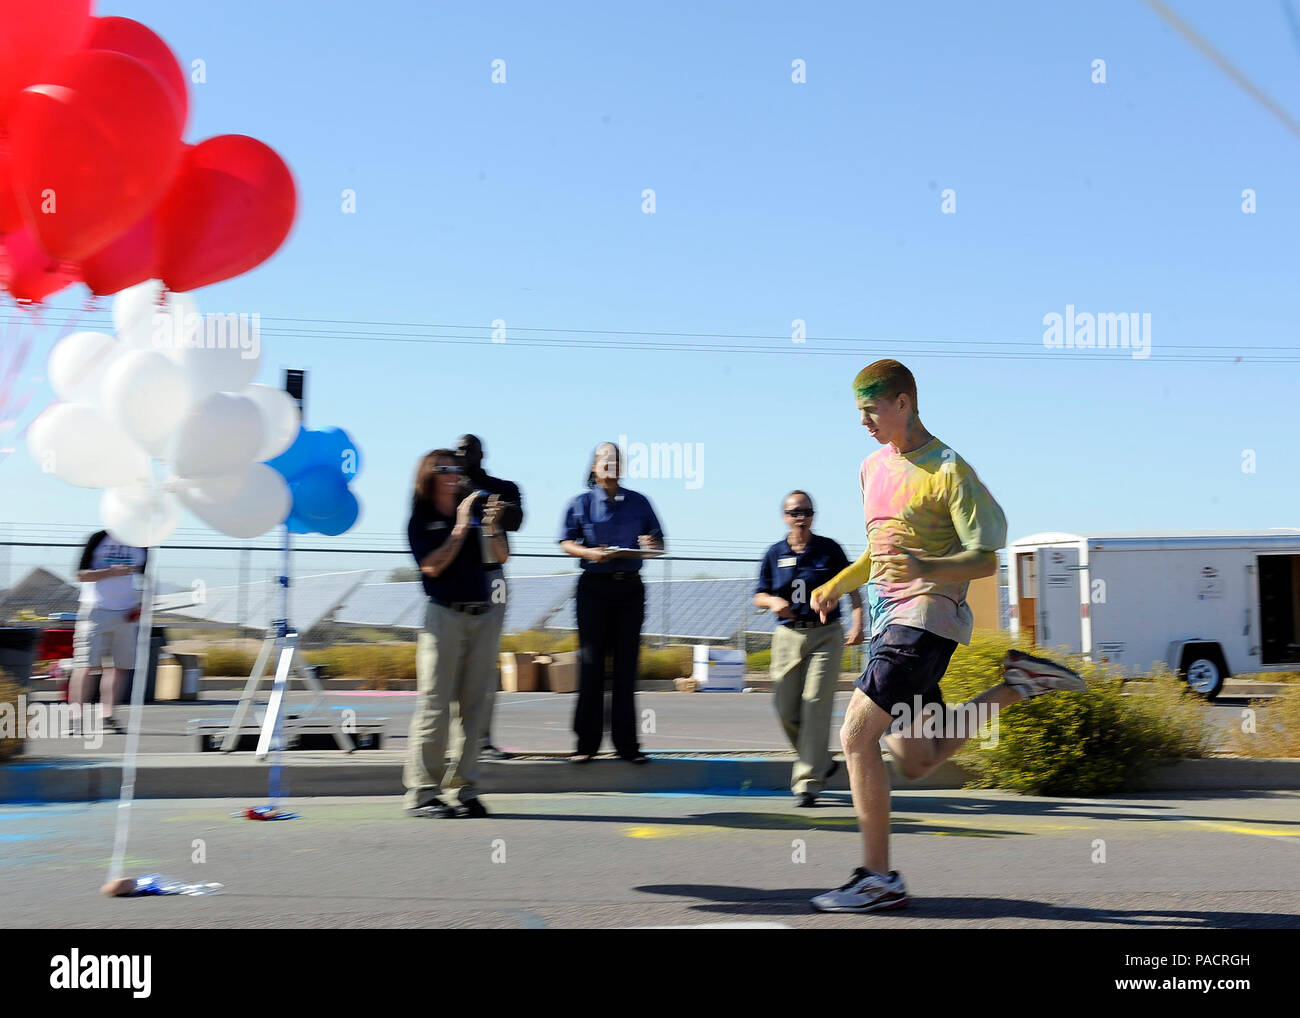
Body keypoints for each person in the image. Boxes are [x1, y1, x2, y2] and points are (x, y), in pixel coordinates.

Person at [807, 360, 1085, 913]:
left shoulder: (947, 470)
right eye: (858, 411)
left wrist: (927, 571)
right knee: (917, 758)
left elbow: (985, 558)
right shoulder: (870, 468)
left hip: (925, 621)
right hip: (891, 621)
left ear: (904, 403)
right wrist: (836, 584)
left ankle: (878, 878)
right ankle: (1016, 685)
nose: (863, 421)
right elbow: (881, 553)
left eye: (872, 409)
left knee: (856, 737)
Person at [404, 449, 511, 818]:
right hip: (444, 618)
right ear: (429, 477)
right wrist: (460, 526)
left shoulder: (479, 514)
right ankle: (422, 793)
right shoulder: (422, 520)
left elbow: (501, 557)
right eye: (443, 469)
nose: (452, 474)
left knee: (473, 708)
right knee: (435, 704)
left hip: (482, 617)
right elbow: (431, 567)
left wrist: (493, 526)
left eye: (456, 469)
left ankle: (465, 789)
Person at [754, 490, 864, 807]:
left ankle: (808, 783)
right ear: (784, 516)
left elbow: (852, 588)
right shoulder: (774, 553)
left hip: (826, 634)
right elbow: (758, 595)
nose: (800, 517)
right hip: (788, 635)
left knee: (815, 702)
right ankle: (820, 760)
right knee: (785, 708)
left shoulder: (829, 550)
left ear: (813, 515)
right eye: (794, 512)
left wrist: (858, 624)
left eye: (806, 512)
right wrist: (773, 600)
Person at [558, 441, 665, 764]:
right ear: (593, 468)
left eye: (616, 460)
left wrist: (650, 545)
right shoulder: (579, 503)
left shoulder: (640, 503)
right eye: (604, 459)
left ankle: (627, 746)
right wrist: (588, 553)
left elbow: (658, 546)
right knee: (590, 666)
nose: (610, 464)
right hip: (593, 589)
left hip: (629, 590)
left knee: (625, 667)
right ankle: (586, 745)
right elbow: (566, 542)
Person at [455, 434, 525, 761]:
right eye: (458, 450)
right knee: (452, 663)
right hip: (454, 578)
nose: (462, 454)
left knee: (485, 662)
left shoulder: (504, 487)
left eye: (468, 449)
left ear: (482, 453)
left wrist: (491, 508)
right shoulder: (448, 486)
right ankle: (456, 741)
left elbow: (516, 519)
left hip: (491, 574)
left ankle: (482, 740)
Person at [69, 530, 148, 736]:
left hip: (126, 613)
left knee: (118, 667)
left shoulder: (141, 542)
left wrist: (141, 604)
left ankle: (108, 715)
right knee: (86, 664)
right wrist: (110, 572)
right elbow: (81, 575)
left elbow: (145, 578)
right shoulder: (98, 538)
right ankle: (76, 718)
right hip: (96, 610)